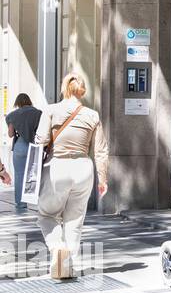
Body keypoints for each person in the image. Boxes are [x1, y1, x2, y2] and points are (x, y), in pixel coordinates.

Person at [33, 74, 108, 275]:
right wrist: (103, 178)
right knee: (75, 219)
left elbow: (41, 140)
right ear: (82, 90)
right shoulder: (92, 115)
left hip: (58, 165)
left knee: (46, 214)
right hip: (84, 168)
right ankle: (68, 265)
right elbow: (100, 150)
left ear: (64, 88)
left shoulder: (50, 110)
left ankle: (58, 248)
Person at [6, 94, 39, 211]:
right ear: (29, 101)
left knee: (19, 175)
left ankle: (21, 204)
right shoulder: (38, 113)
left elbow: (10, 134)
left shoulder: (12, 115)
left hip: (20, 145)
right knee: (34, 174)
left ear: (17, 103)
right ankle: (38, 201)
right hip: (34, 145)